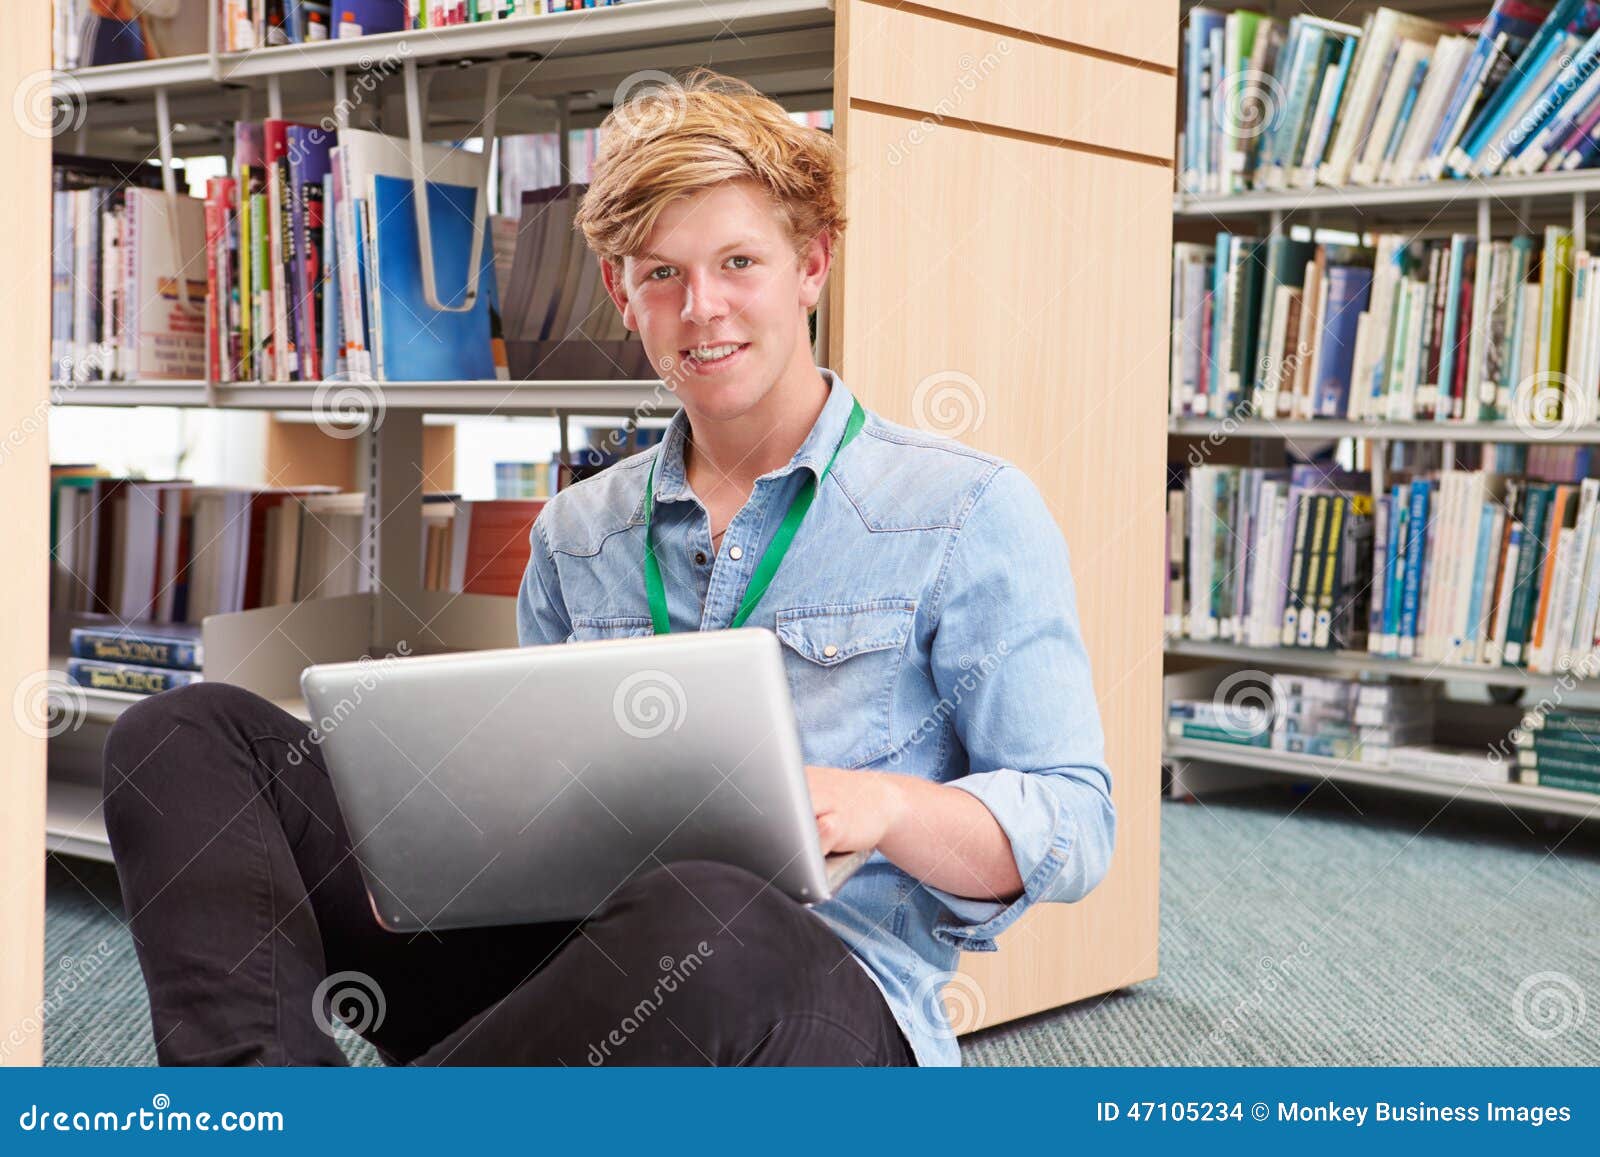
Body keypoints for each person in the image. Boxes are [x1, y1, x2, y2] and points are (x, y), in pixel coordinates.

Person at [102, 69, 1114, 1068]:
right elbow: (535, 805)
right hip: (575, 977)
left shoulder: (965, 507)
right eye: (661, 273)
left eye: (738, 262)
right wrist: (435, 850)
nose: (702, 308)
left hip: (817, 1000)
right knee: (179, 732)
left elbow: (1076, 821)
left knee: (712, 913)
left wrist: (888, 806)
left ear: (813, 262)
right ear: (620, 295)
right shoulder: (577, 530)